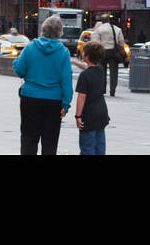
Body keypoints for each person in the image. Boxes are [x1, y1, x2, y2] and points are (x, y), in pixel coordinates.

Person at [13, 14, 72, 155]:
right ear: (60, 32)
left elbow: (19, 69)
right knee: (50, 142)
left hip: (30, 98)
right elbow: (66, 80)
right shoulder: (63, 52)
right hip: (53, 101)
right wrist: (66, 104)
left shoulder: (30, 47)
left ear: (43, 29)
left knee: (28, 138)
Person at [74, 41, 110, 155]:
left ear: (87, 56)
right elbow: (87, 66)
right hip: (102, 114)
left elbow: (81, 97)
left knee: (87, 148)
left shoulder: (84, 76)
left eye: (84, 52)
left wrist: (78, 116)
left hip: (89, 116)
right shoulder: (100, 70)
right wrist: (74, 61)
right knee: (100, 146)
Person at [93, 13, 126, 96]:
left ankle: (102, 89)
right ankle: (112, 91)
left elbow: (95, 43)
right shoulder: (117, 29)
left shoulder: (98, 30)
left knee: (101, 72)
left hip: (102, 52)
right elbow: (121, 43)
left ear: (101, 21)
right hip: (113, 52)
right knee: (114, 72)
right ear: (109, 20)